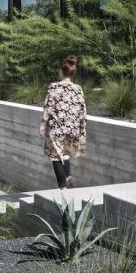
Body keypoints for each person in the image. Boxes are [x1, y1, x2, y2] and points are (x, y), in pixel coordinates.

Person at [38, 54, 87, 189]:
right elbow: (83, 110)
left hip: (57, 129)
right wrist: (81, 129)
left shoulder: (54, 87)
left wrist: (43, 124)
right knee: (66, 155)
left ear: (61, 71)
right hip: (72, 129)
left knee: (56, 156)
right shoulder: (78, 89)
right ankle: (67, 179)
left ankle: (63, 187)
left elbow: (48, 107)